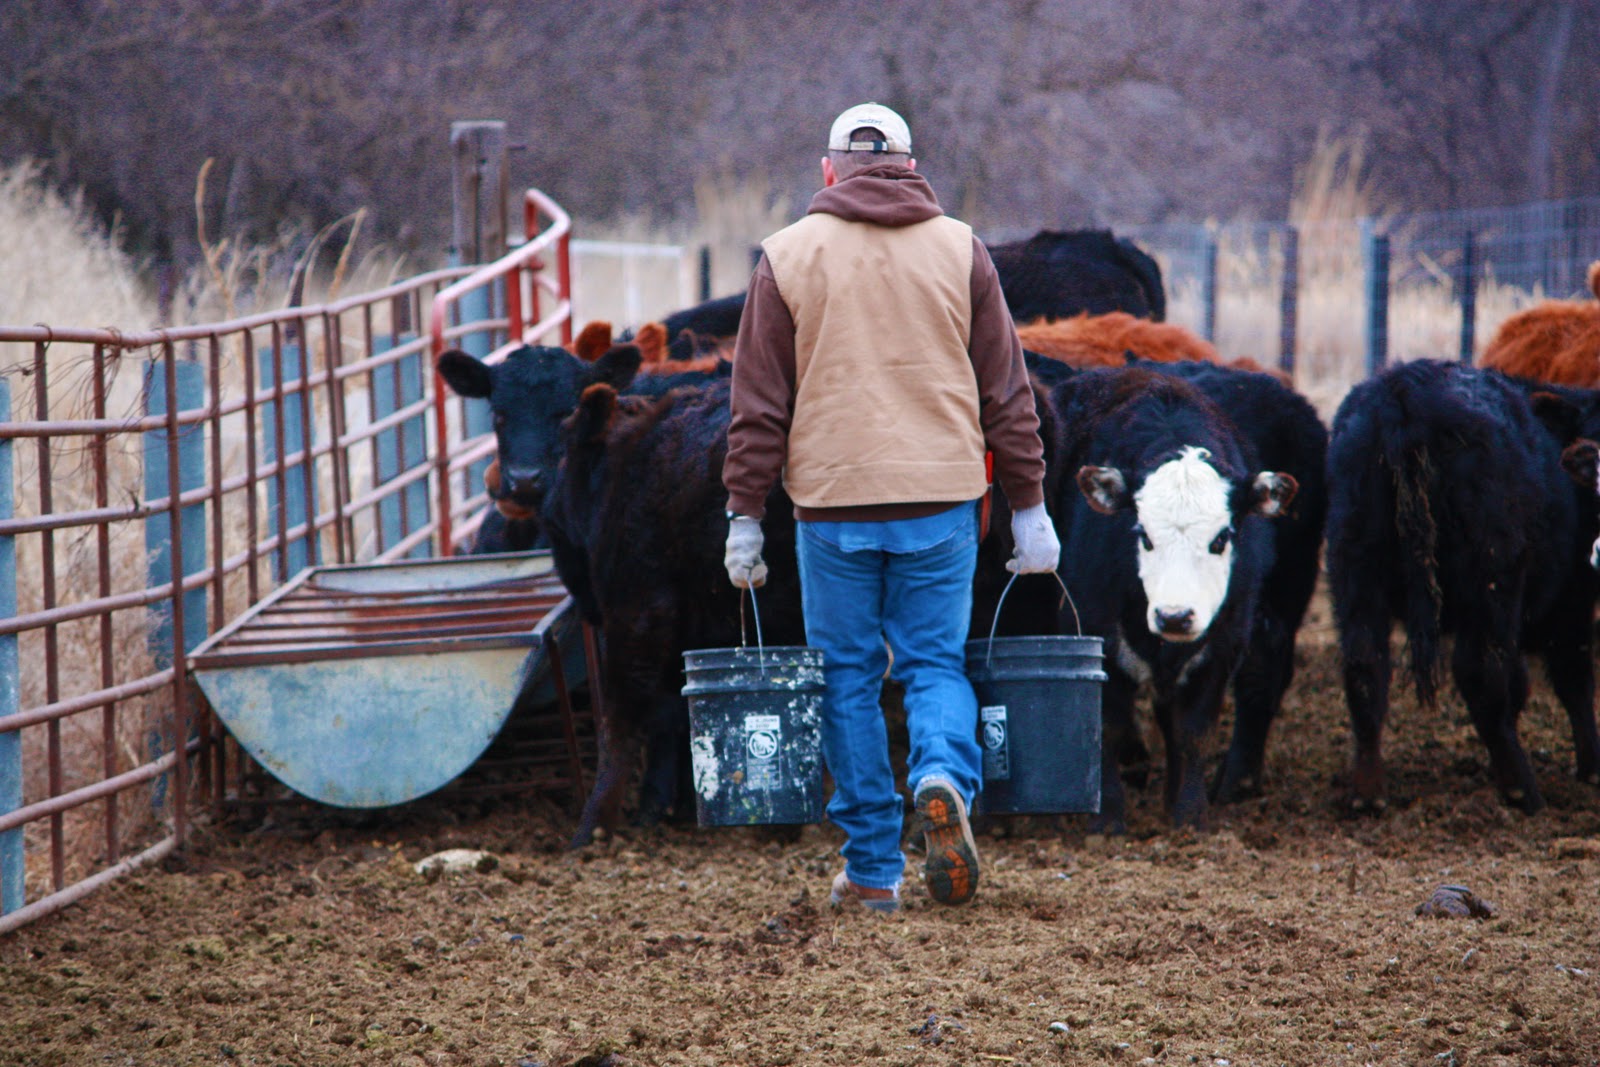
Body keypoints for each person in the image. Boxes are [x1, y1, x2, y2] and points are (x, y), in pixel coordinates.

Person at [721, 102, 1060, 912]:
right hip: (942, 497)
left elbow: (758, 403)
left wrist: (742, 513)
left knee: (849, 678)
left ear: (829, 168)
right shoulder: (961, 248)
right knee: (933, 664)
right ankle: (942, 772)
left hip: (833, 504)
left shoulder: (787, 255)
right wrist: (1030, 505)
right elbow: (1007, 394)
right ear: (911, 164)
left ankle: (874, 869)